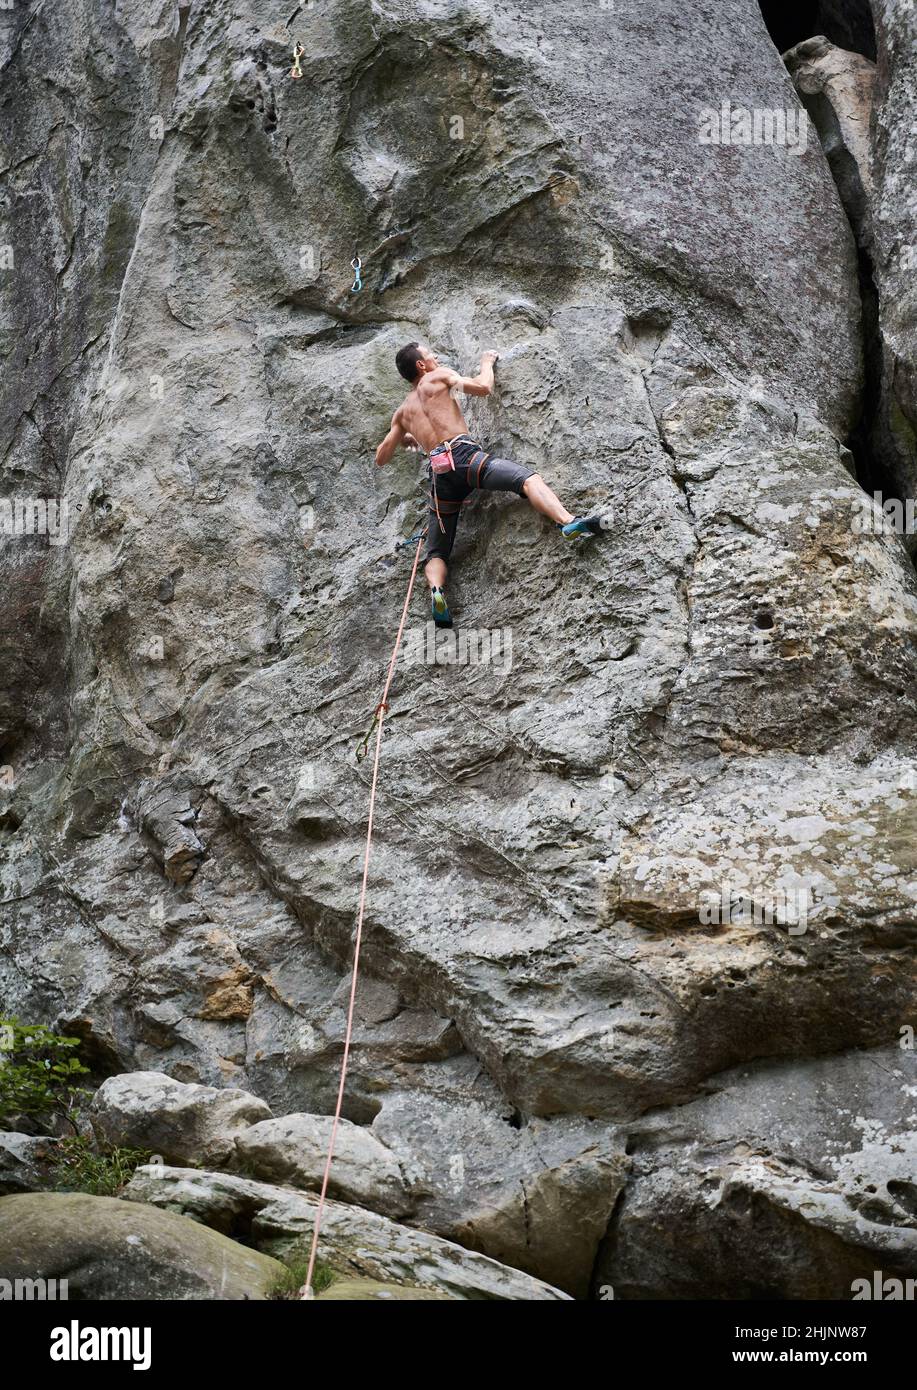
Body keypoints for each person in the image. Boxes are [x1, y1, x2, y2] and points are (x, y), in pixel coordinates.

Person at [374, 342, 604, 627]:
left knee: (436, 551)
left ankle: (437, 590)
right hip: (465, 458)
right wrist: (486, 362)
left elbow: (381, 458)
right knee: (527, 479)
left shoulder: (403, 412)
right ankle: (567, 521)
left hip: (440, 475)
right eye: (429, 353)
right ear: (421, 365)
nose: (434, 356)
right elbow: (483, 388)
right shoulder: (439, 375)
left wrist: (407, 434)